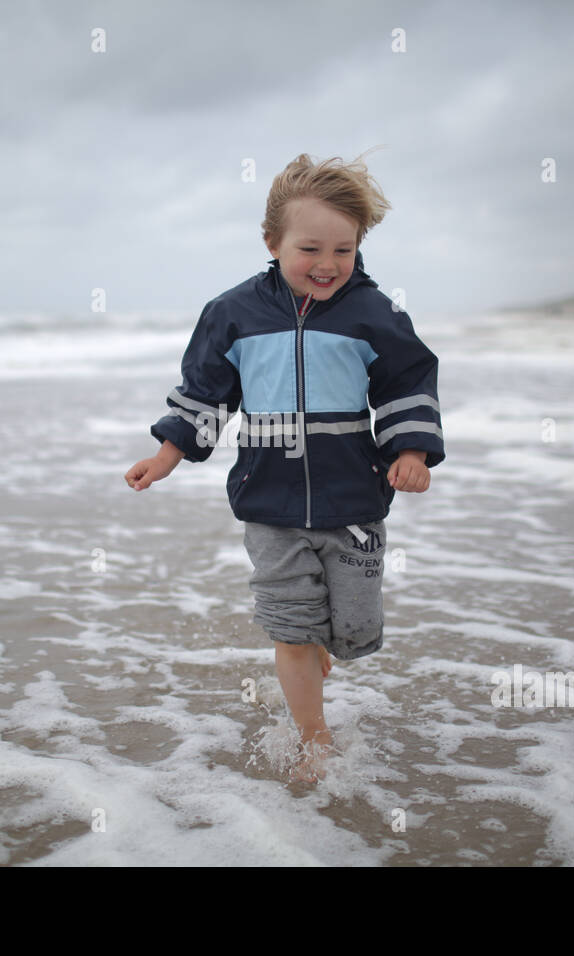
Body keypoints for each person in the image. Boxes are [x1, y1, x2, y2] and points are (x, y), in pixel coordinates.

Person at [125, 151, 444, 783]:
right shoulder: (233, 314)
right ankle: (313, 734)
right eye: (310, 249)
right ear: (271, 242)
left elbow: (407, 381)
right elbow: (206, 391)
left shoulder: (372, 314)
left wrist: (410, 451)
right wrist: (168, 454)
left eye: (343, 251)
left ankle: (319, 645)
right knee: (291, 627)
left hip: (354, 501)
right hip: (268, 503)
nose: (327, 266)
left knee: (352, 632)